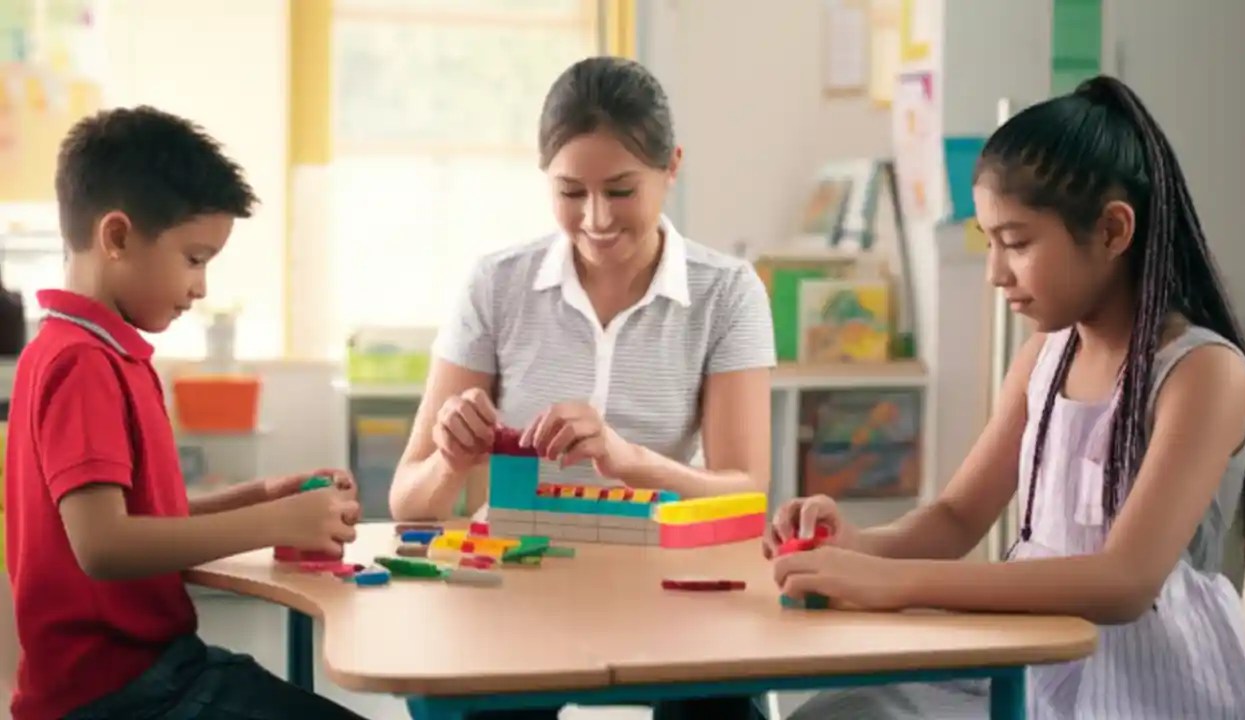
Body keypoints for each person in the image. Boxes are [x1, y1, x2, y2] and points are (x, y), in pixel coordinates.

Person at [766, 75, 1245, 719]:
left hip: (1144, 686)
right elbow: (956, 516)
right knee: (836, 712)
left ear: (1114, 231)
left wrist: (893, 583)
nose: (994, 272)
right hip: (1032, 657)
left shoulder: (1201, 372)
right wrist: (856, 547)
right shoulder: (1047, 353)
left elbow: (1123, 583)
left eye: (1017, 242)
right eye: (990, 243)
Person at [389, 56, 775, 719]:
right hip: (517, 582)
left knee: (722, 707)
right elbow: (408, 502)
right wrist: (453, 459)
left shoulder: (727, 291)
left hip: (669, 582)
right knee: (459, 702)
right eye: (571, 193)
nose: (596, 219)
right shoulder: (496, 284)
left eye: (621, 190)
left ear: (671, 167)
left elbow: (746, 494)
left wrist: (629, 460)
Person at [4, 106, 367, 720]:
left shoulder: (90, 351)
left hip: (151, 673)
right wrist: (278, 520)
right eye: (194, 259)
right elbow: (105, 546)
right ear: (116, 237)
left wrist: (256, 498)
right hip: (122, 693)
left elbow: (131, 520)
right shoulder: (83, 363)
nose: (200, 288)